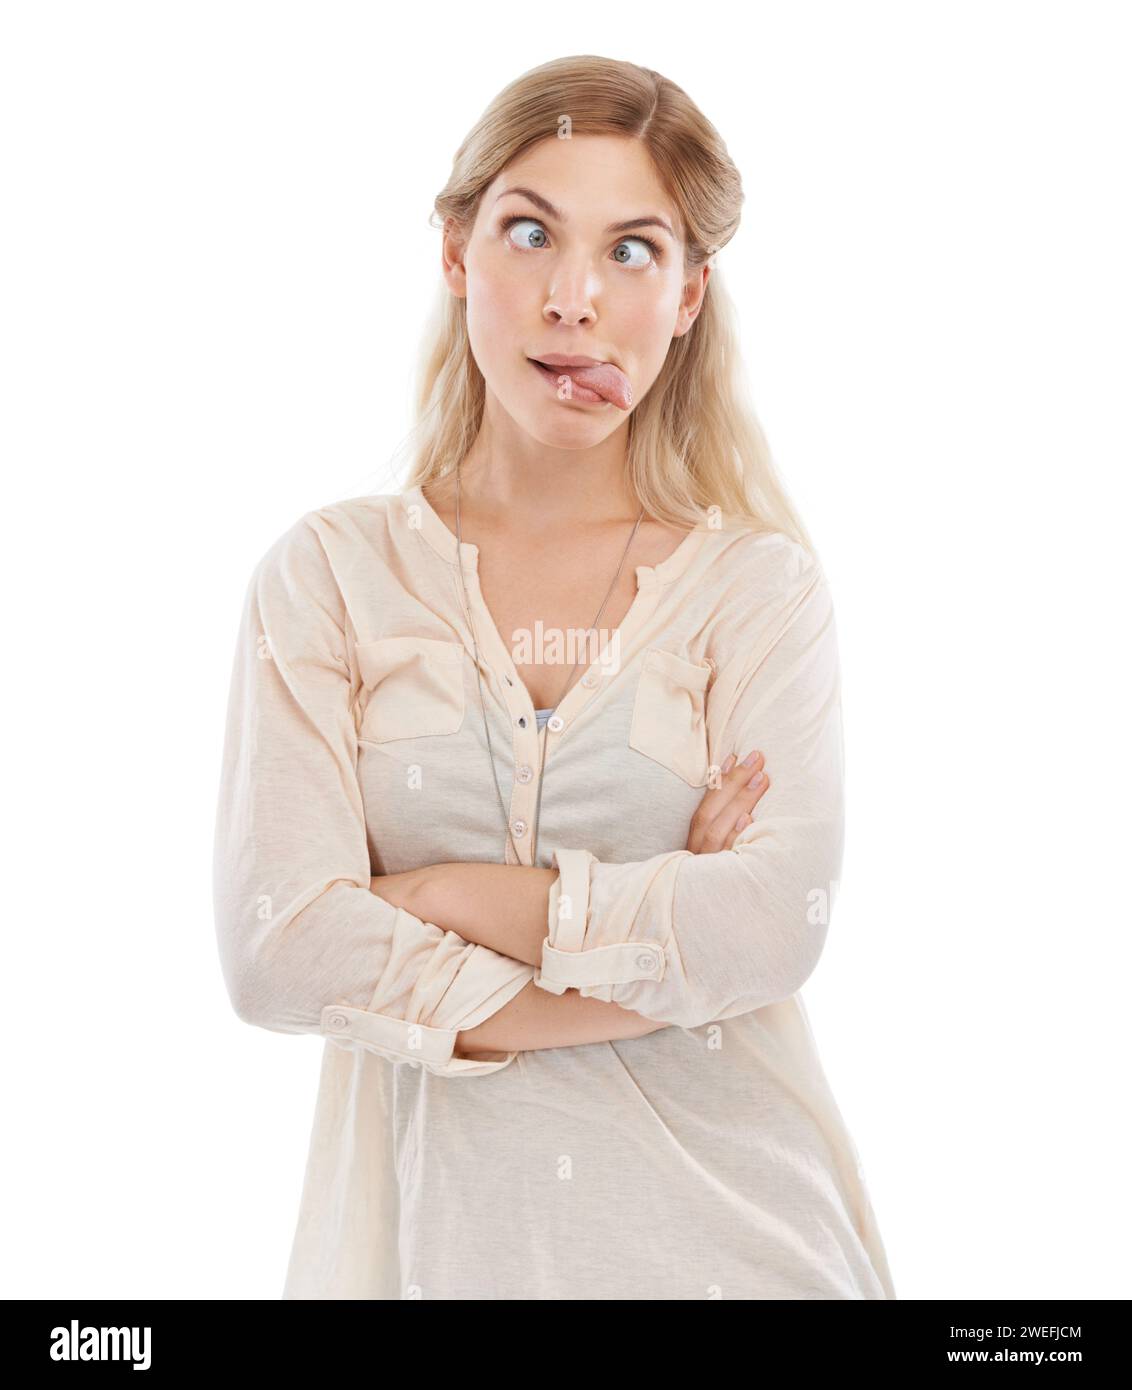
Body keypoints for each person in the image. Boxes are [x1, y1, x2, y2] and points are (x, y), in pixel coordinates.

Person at [212, 53, 896, 1300]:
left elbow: (765, 925)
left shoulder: (757, 592)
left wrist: (423, 888)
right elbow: (279, 949)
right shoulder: (328, 579)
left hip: (752, 1259)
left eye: (633, 250)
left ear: (689, 294)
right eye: (531, 232)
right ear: (457, 251)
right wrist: (646, 953)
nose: (573, 298)